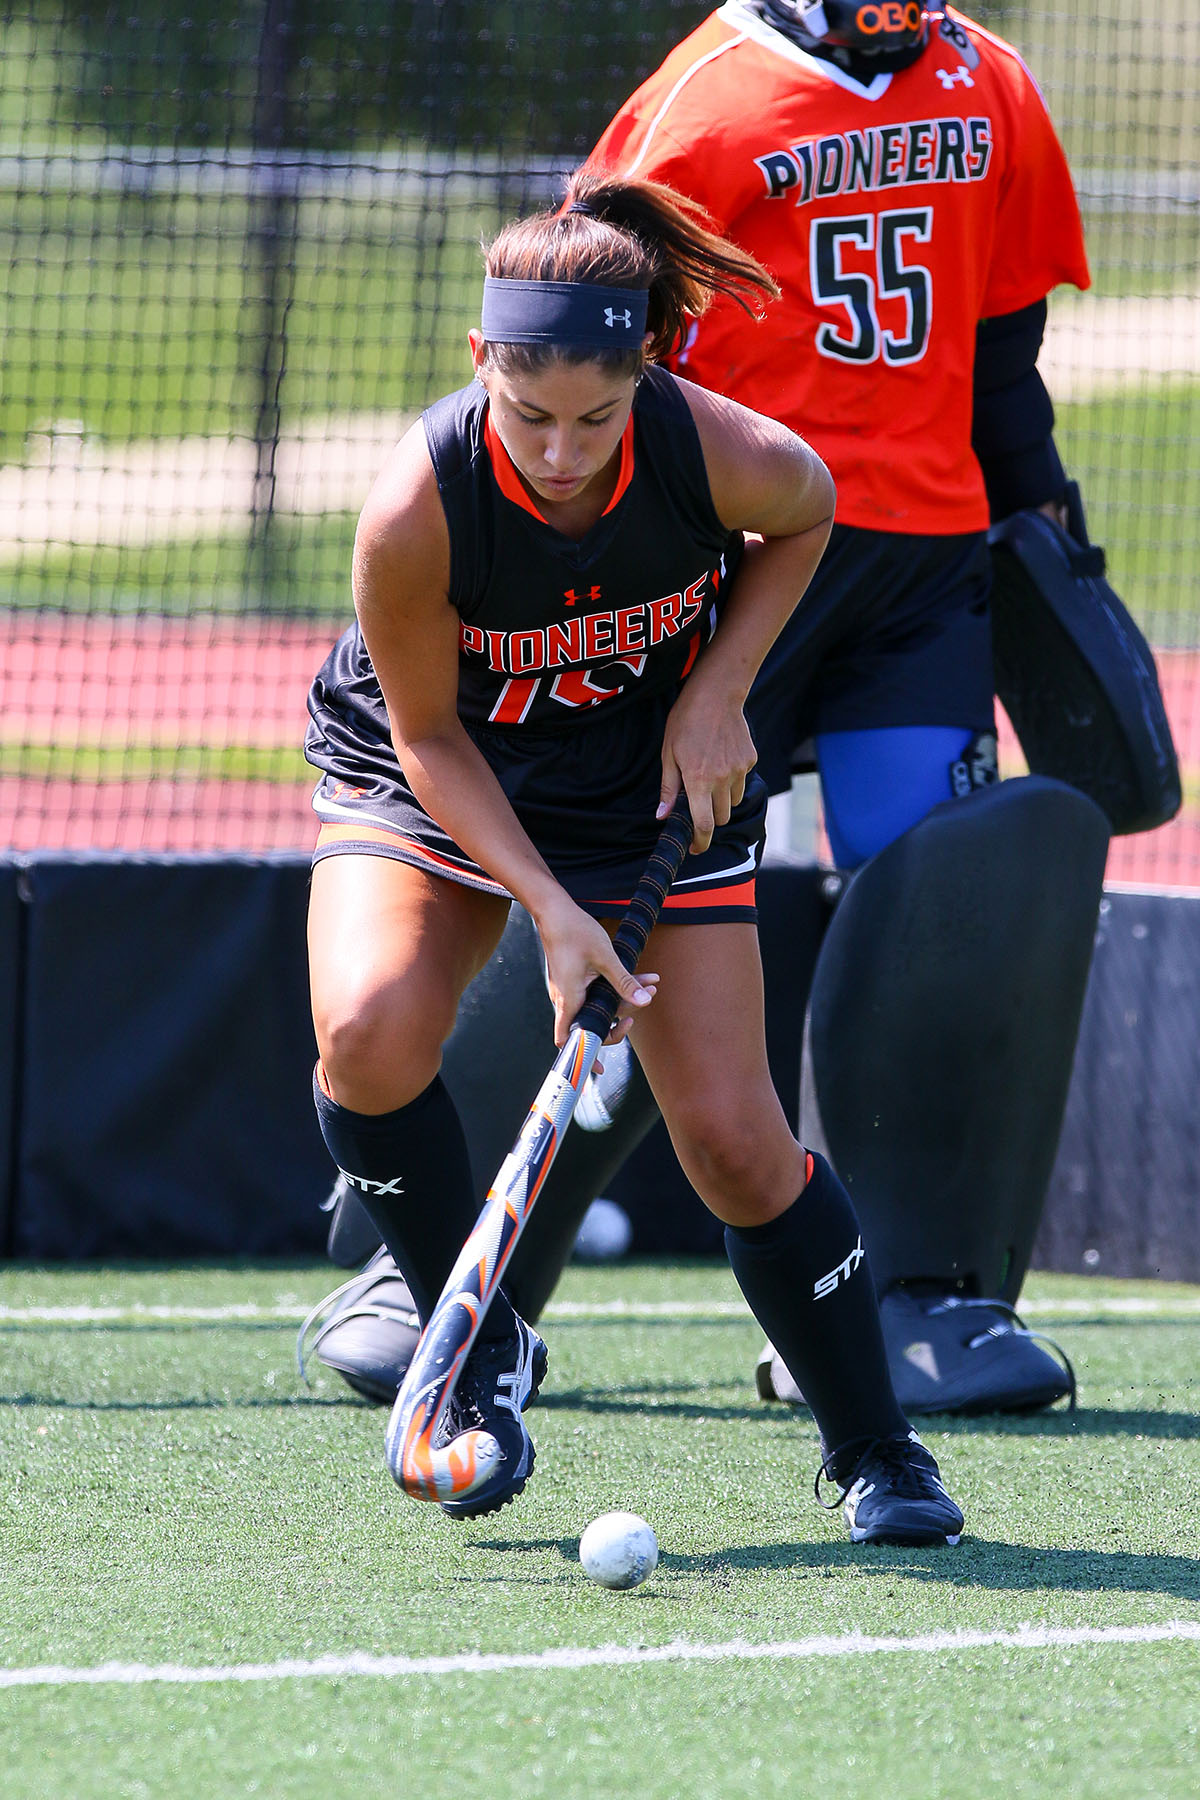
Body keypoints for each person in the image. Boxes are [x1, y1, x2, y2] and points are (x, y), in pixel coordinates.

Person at [303, 166, 964, 1545]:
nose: (560, 448)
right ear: (481, 360)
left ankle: (879, 1454)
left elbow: (810, 509)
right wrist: (547, 908)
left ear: (644, 370)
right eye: (530, 413)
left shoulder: (703, 445)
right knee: (366, 1033)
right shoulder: (414, 511)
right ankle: (477, 1352)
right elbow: (428, 737)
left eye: (595, 417)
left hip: (636, 786)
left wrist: (721, 690)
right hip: (440, 780)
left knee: (733, 1141)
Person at [572, 0, 1112, 1414]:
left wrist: (1044, 517)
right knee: (642, 887)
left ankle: (915, 1290)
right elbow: (595, 348)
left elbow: (1004, 355)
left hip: (923, 577)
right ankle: (450, 1267)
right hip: (745, 565)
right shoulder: (703, 100)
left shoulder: (992, 81)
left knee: (935, 893)